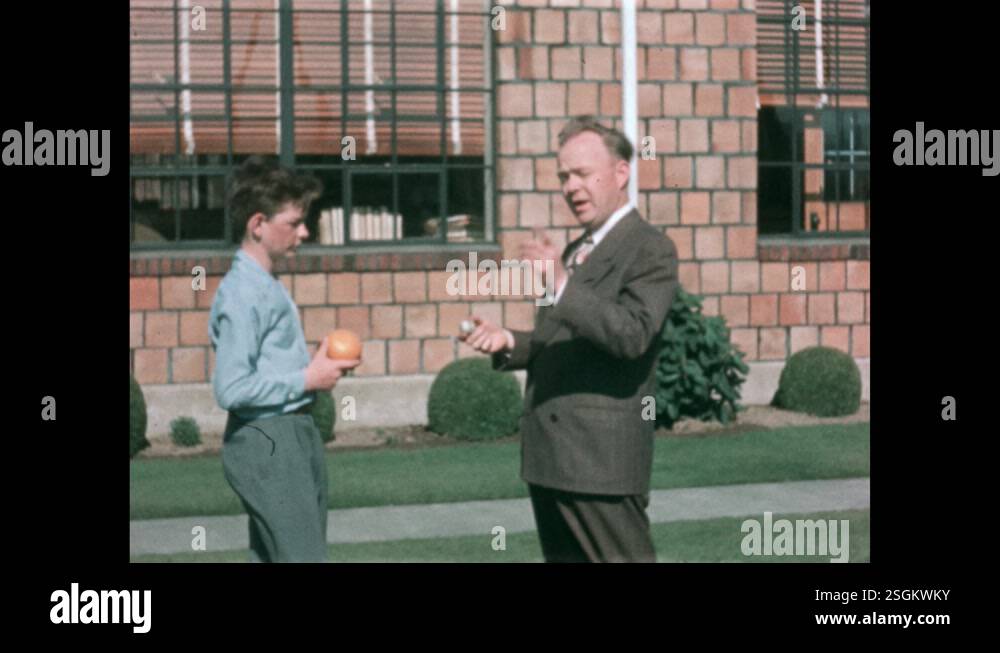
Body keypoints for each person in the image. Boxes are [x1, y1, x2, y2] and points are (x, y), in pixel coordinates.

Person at [460, 116, 679, 562]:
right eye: (564, 176)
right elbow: (558, 341)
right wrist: (509, 342)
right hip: (550, 457)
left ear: (621, 173)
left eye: (582, 173)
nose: (571, 187)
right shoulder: (574, 251)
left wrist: (561, 284)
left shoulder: (648, 247)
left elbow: (632, 334)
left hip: (601, 462)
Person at [209, 157, 360, 562]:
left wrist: (310, 367)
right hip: (269, 442)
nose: (304, 232)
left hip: (288, 435)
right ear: (258, 224)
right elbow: (231, 388)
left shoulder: (265, 284)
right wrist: (308, 379)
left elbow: (264, 368)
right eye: (293, 223)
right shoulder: (244, 293)